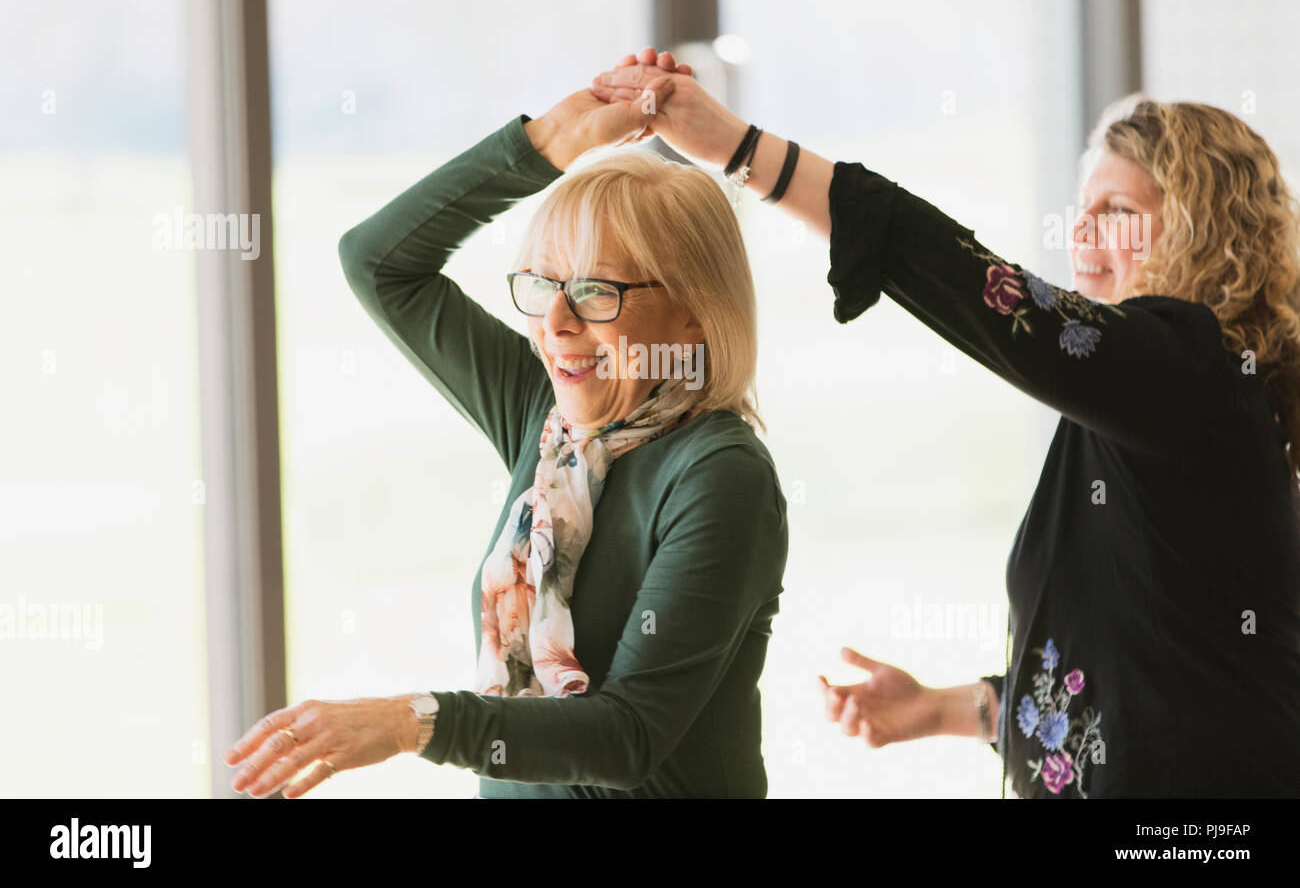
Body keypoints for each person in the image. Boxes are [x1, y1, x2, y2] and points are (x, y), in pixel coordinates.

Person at [591, 47, 1300, 798]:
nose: (1081, 230)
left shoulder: (1186, 369)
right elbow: (1130, 670)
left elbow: (968, 280)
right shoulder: (1149, 403)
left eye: (1118, 211)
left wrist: (736, 147)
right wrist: (938, 710)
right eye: (1081, 207)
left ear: (1203, 233)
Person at [223, 76, 788, 798]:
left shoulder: (719, 476)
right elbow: (378, 262)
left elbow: (626, 737)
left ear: (692, 315)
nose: (554, 324)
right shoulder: (545, 417)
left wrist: (410, 723)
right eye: (541, 283)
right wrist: (551, 142)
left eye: (595, 290)